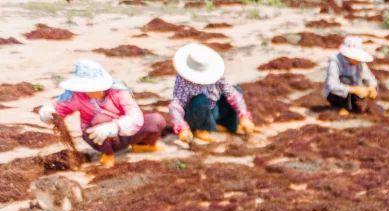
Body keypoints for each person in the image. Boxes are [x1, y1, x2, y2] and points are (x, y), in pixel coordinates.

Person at [37, 59, 165, 168]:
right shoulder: (76, 96)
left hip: (125, 132)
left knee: (156, 120)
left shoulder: (118, 91)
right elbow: (58, 109)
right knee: (101, 120)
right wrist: (47, 113)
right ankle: (108, 154)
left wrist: (115, 126)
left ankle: (142, 146)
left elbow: (135, 116)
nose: (90, 91)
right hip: (97, 137)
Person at [169, 43, 255, 144]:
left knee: (236, 89)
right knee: (200, 99)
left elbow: (232, 94)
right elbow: (176, 105)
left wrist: (244, 115)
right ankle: (202, 130)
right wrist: (182, 128)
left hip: (214, 110)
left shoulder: (215, 73)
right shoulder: (183, 80)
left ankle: (228, 125)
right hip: (196, 114)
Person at [324, 36, 379, 116]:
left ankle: (354, 106)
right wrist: (354, 89)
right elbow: (332, 85)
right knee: (346, 80)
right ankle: (345, 107)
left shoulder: (360, 63)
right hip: (336, 95)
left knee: (369, 87)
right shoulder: (335, 61)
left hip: (354, 93)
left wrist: (372, 88)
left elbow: (370, 78)